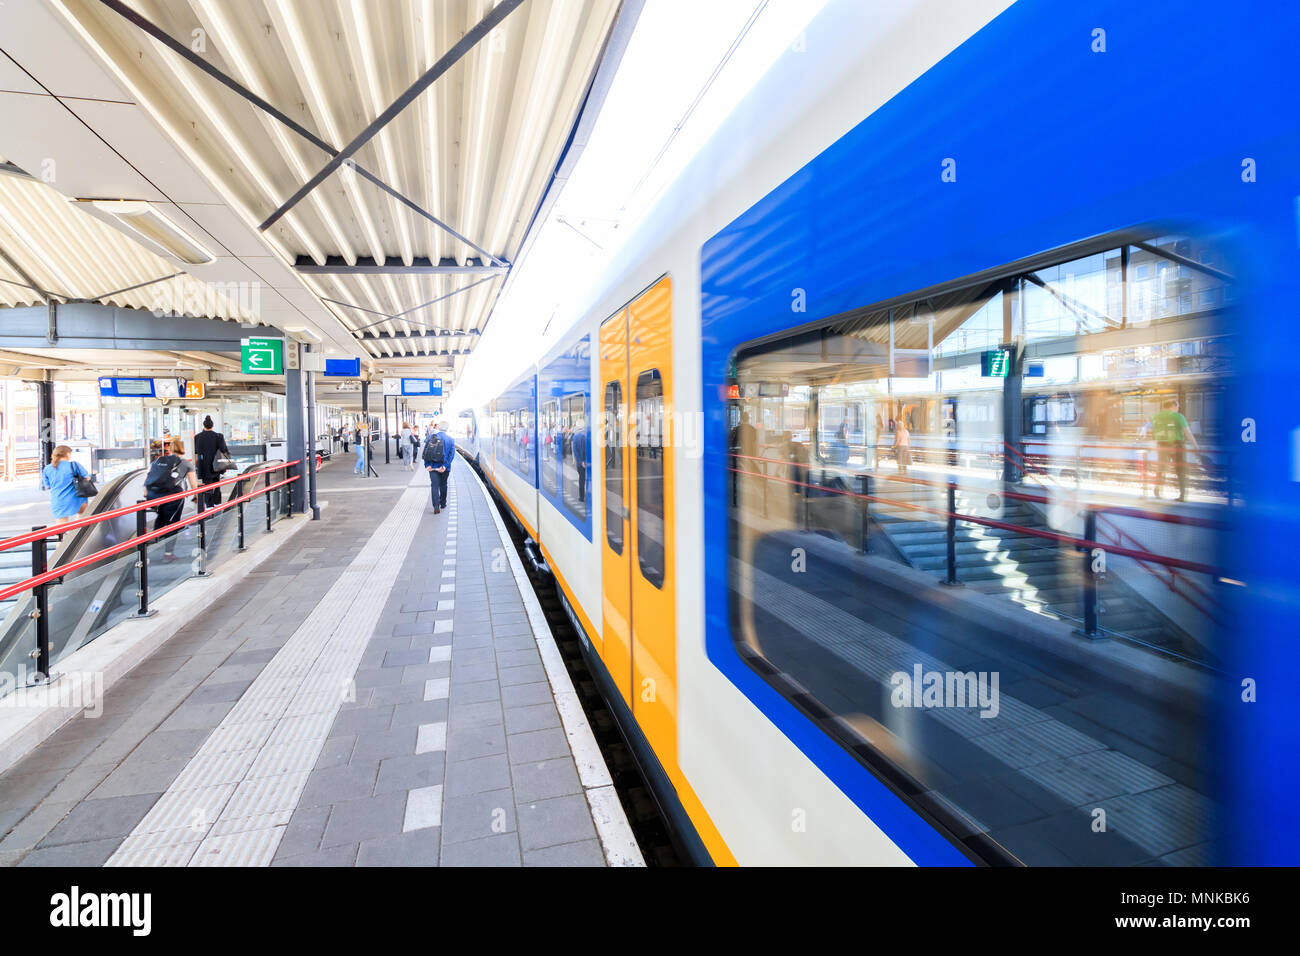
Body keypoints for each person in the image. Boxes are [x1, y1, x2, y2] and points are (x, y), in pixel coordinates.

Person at [145, 437, 197, 561]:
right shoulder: (186, 463)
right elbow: (193, 484)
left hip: (154, 496)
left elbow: (147, 479)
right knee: (172, 523)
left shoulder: (157, 461)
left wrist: (147, 497)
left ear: (169, 449)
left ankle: (151, 546)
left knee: (161, 517)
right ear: (182, 449)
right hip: (173, 497)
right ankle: (168, 554)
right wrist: (196, 497)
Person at [1151, 397, 1199, 501]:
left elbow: (1155, 432)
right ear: (1173, 406)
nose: (1178, 408)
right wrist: (1196, 447)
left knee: (1161, 468)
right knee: (1180, 469)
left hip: (1161, 446)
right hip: (1176, 446)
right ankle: (1182, 495)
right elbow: (1188, 433)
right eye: (1177, 406)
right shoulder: (1178, 416)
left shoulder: (1156, 417)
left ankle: (1157, 491)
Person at [41, 445, 92, 524]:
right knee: (81, 521)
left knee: (61, 528)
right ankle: (78, 534)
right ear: (67, 454)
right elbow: (87, 478)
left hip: (58, 500)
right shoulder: (74, 465)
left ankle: (65, 536)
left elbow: (47, 485)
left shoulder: (47, 468)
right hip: (77, 498)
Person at [193, 415, 231, 507]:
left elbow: (196, 451)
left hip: (203, 465)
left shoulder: (197, 437)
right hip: (216, 464)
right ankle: (217, 502)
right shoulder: (218, 436)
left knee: (207, 484)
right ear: (212, 426)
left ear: (204, 425)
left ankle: (209, 504)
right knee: (216, 483)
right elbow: (224, 449)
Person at [423, 420, 456, 514]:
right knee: (443, 484)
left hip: (433, 467)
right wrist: (445, 466)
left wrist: (427, 465)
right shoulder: (450, 439)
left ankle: (436, 506)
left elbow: (426, 452)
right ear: (447, 428)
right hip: (444, 468)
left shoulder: (430, 437)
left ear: (438, 427)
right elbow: (451, 455)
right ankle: (443, 503)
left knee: (434, 485)